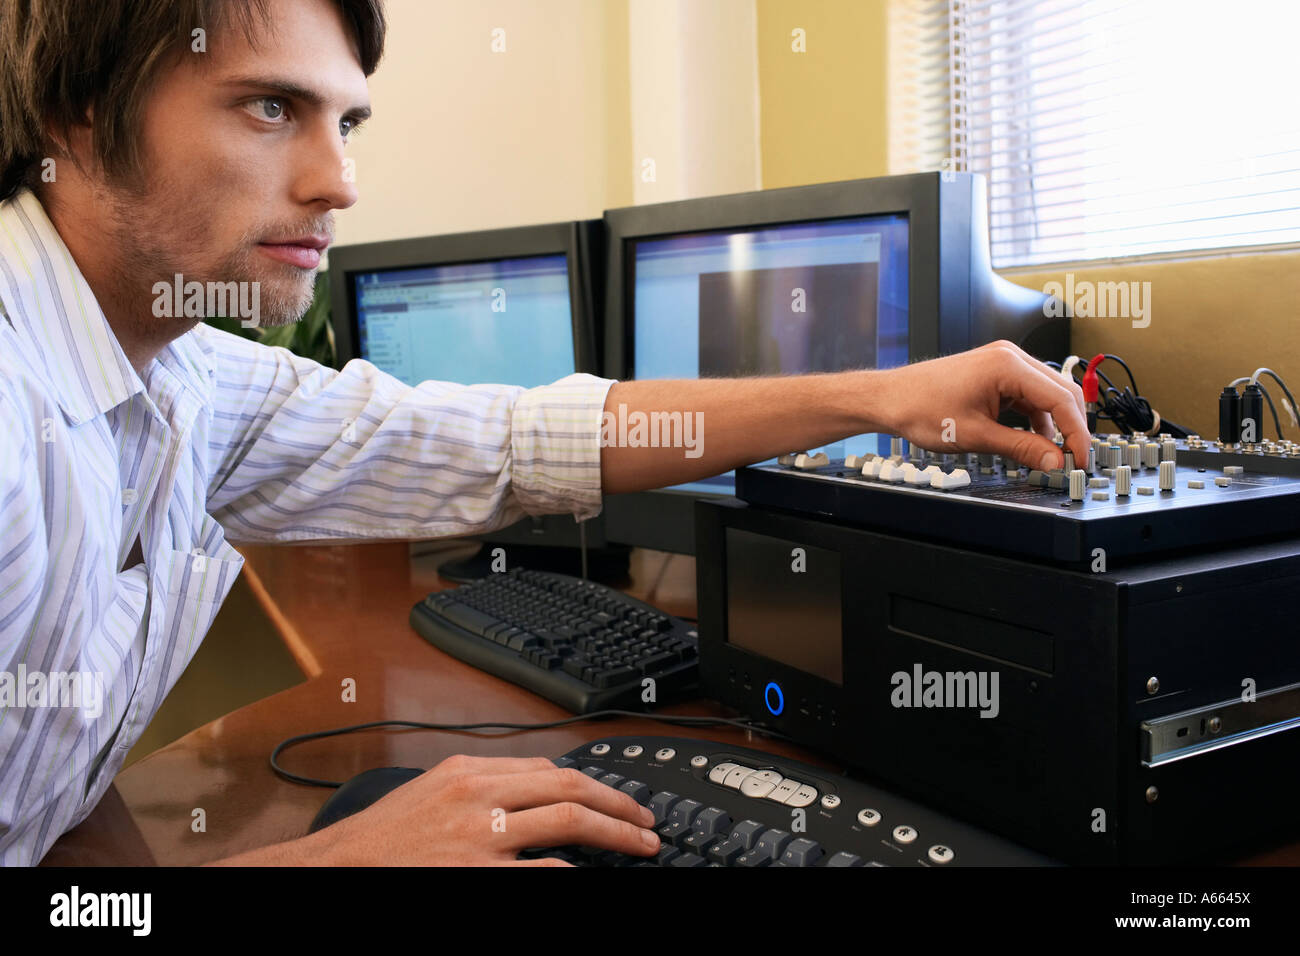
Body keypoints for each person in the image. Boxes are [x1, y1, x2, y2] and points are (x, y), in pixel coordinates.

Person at [0, 0, 1087, 865]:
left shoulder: (181, 366)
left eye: (345, 122)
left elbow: (515, 440)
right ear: (80, 110)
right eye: (270, 108)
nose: (338, 181)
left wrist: (880, 398)